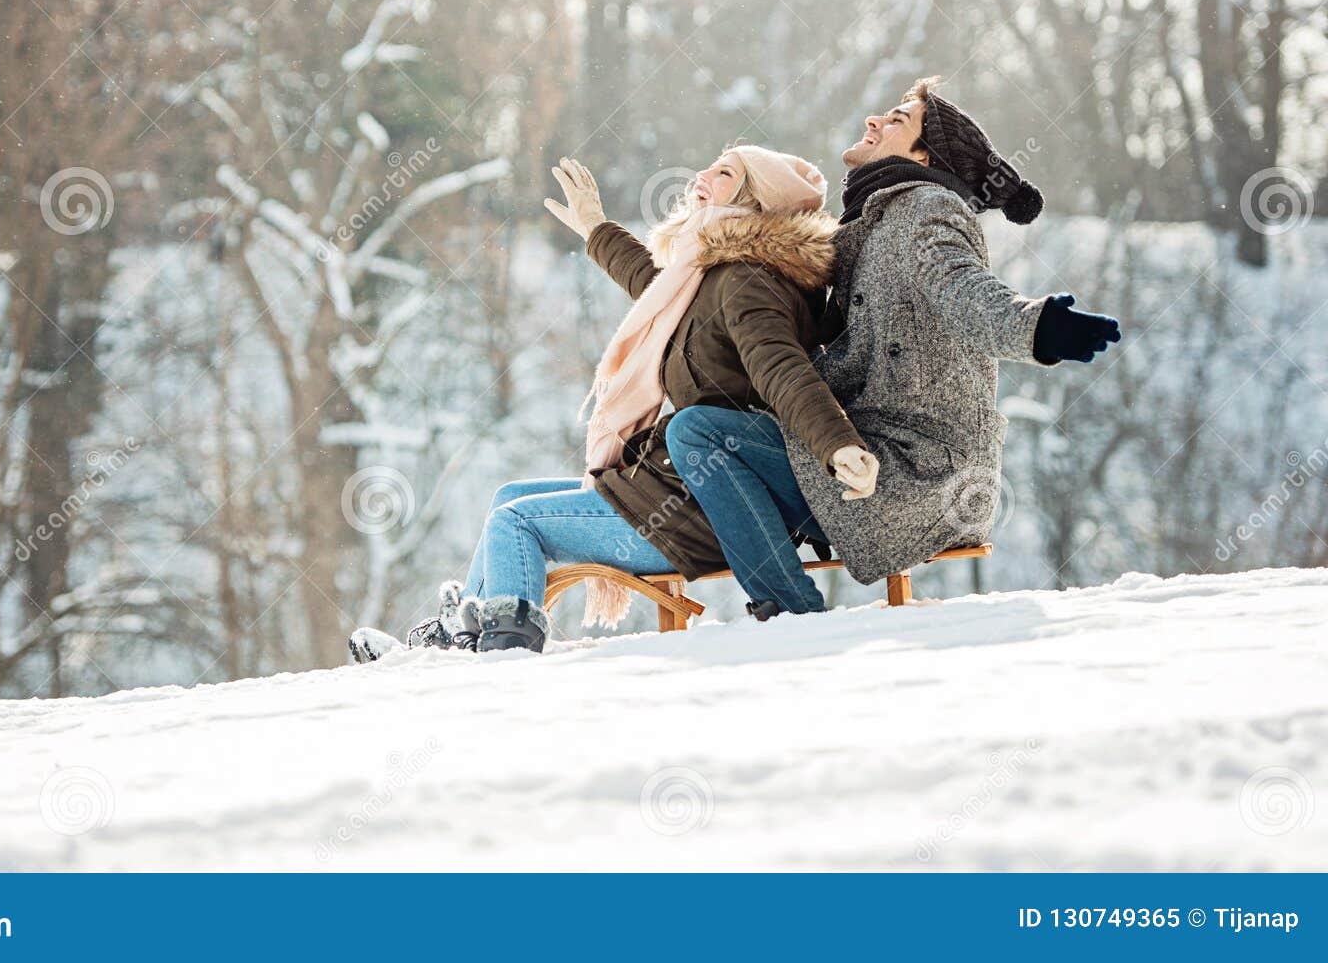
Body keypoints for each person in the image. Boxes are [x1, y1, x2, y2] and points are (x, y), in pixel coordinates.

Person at [349, 147, 876, 662]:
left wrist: (836, 445)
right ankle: (460, 636)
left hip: (699, 509)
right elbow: (655, 294)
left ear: (752, 201)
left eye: (724, 173)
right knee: (509, 495)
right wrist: (596, 228)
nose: (702, 174)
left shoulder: (747, 281)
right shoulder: (713, 275)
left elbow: (782, 370)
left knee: (516, 522)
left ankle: (502, 654)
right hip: (673, 486)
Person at [665, 78, 1121, 616]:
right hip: (877, 460)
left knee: (699, 433)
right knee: (706, 442)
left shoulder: (925, 210)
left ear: (925, 157)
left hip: (917, 473)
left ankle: (793, 617)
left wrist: (1037, 327)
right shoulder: (869, 226)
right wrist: (598, 231)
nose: (873, 121)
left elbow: (961, 288)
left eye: (897, 121)